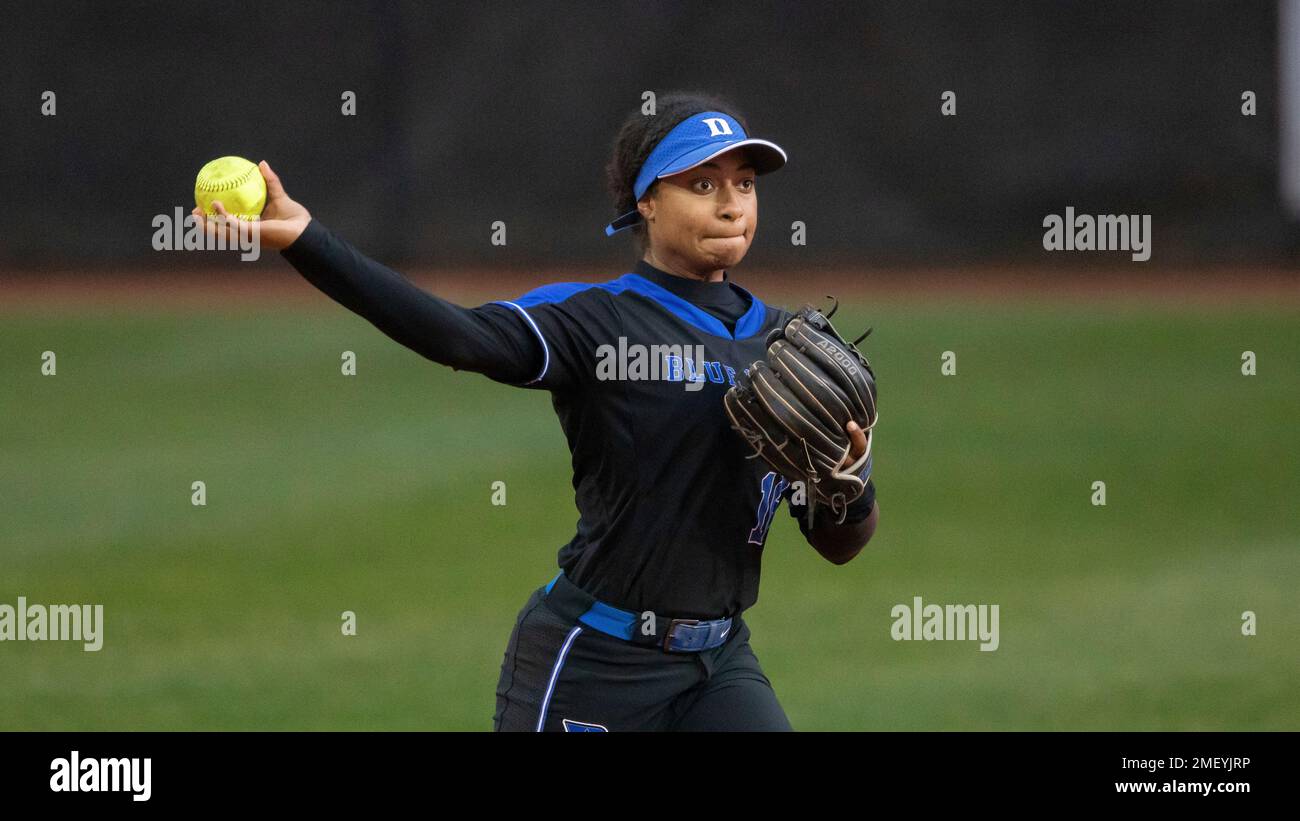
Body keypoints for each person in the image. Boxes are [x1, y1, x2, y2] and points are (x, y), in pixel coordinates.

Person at [194, 91, 879, 731]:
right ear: (646, 201)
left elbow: (838, 543)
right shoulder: (595, 320)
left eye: (745, 184)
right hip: (595, 659)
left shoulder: (788, 343)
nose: (732, 204)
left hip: (720, 665)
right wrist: (308, 240)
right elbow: (457, 336)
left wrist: (851, 481)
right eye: (702, 185)